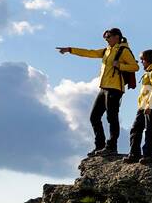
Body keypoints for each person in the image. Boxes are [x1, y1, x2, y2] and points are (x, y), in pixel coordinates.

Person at [57, 28, 138, 157]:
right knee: (94, 117)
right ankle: (100, 146)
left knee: (111, 117)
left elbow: (135, 66)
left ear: (117, 37)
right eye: (105, 37)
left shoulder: (124, 50)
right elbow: (89, 53)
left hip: (116, 88)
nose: (106, 39)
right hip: (104, 87)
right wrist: (70, 50)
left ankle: (111, 147)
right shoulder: (106, 50)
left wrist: (120, 66)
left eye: (109, 36)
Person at [125, 50, 152, 164]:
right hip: (143, 107)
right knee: (135, 129)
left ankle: (149, 155)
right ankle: (134, 154)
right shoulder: (148, 72)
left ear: (149, 59)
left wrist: (149, 106)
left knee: (150, 130)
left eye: (143, 59)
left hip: (151, 107)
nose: (141, 61)